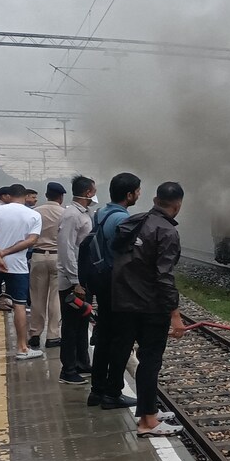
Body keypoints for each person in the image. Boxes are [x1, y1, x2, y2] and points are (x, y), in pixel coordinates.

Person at [109, 182, 186, 436]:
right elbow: (164, 276)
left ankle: (149, 409)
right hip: (150, 307)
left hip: (124, 301)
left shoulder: (135, 222)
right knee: (150, 361)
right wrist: (175, 314)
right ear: (178, 205)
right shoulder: (167, 231)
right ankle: (148, 422)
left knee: (139, 358)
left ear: (155, 199)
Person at [88, 172, 142, 410]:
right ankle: (113, 393)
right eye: (137, 191)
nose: (139, 194)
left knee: (104, 337)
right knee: (122, 340)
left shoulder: (101, 213)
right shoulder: (122, 219)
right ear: (129, 195)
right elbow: (129, 254)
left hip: (102, 282)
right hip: (117, 286)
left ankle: (97, 390)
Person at [0, 184, 42, 360]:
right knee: (19, 304)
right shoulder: (33, 215)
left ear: (10, 195)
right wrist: (5, 253)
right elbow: (31, 240)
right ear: (25, 196)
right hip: (17, 266)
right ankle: (22, 348)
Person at [57, 175, 97, 384]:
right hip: (73, 281)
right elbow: (66, 249)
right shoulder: (72, 215)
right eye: (94, 190)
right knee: (71, 326)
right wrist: (75, 281)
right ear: (88, 192)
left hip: (83, 277)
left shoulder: (84, 213)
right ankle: (68, 370)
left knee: (82, 323)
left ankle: (82, 362)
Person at [27, 182, 66, 349]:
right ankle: (53, 335)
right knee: (55, 298)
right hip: (57, 257)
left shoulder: (35, 212)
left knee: (37, 297)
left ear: (46, 195)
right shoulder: (64, 213)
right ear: (61, 197)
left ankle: (35, 333)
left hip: (38, 256)